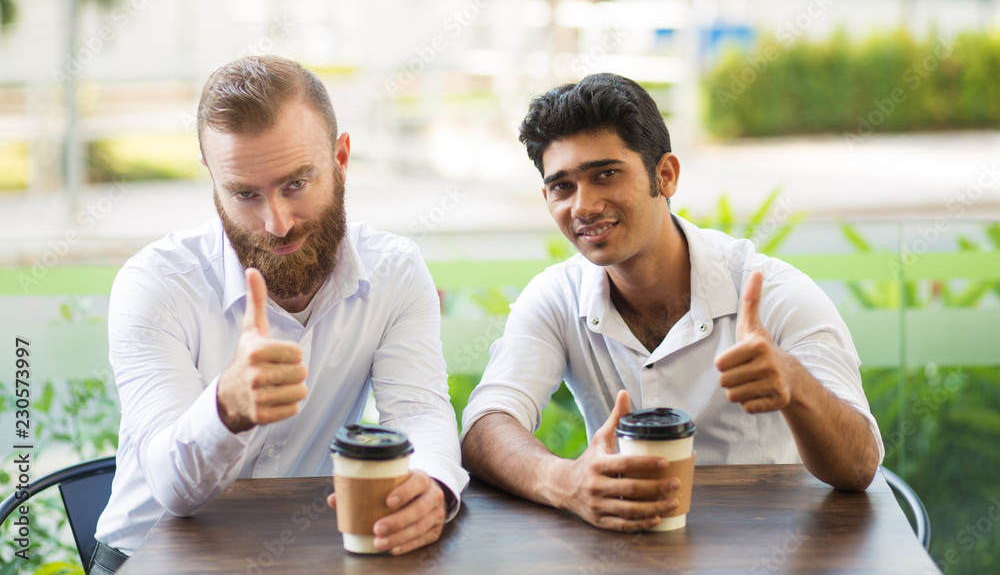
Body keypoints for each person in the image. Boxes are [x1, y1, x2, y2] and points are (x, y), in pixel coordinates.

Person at [460, 72, 884, 532]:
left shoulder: (774, 293)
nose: (583, 206)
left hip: (774, 544)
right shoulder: (556, 298)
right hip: (629, 545)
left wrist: (794, 383)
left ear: (664, 176)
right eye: (563, 186)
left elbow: (860, 465)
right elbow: (485, 425)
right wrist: (565, 482)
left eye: (606, 174)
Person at [92, 55, 468, 573]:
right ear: (213, 179)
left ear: (341, 157)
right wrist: (225, 408)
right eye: (245, 193)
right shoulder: (155, 284)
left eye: (296, 184)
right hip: (148, 558)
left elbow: (419, 412)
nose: (277, 222)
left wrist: (432, 484)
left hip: (302, 554)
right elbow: (172, 491)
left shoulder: (394, 272)